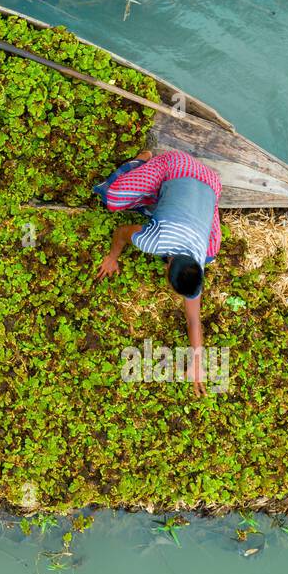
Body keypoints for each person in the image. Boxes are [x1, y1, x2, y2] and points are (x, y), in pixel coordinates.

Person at [93, 148, 221, 396]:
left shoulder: (198, 258)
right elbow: (121, 233)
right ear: (168, 266)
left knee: (211, 253)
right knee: (112, 198)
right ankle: (141, 160)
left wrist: (196, 362)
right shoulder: (153, 241)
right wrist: (112, 257)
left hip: (212, 182)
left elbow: (194, 319)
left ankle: (164, 199)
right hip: (178, 165)